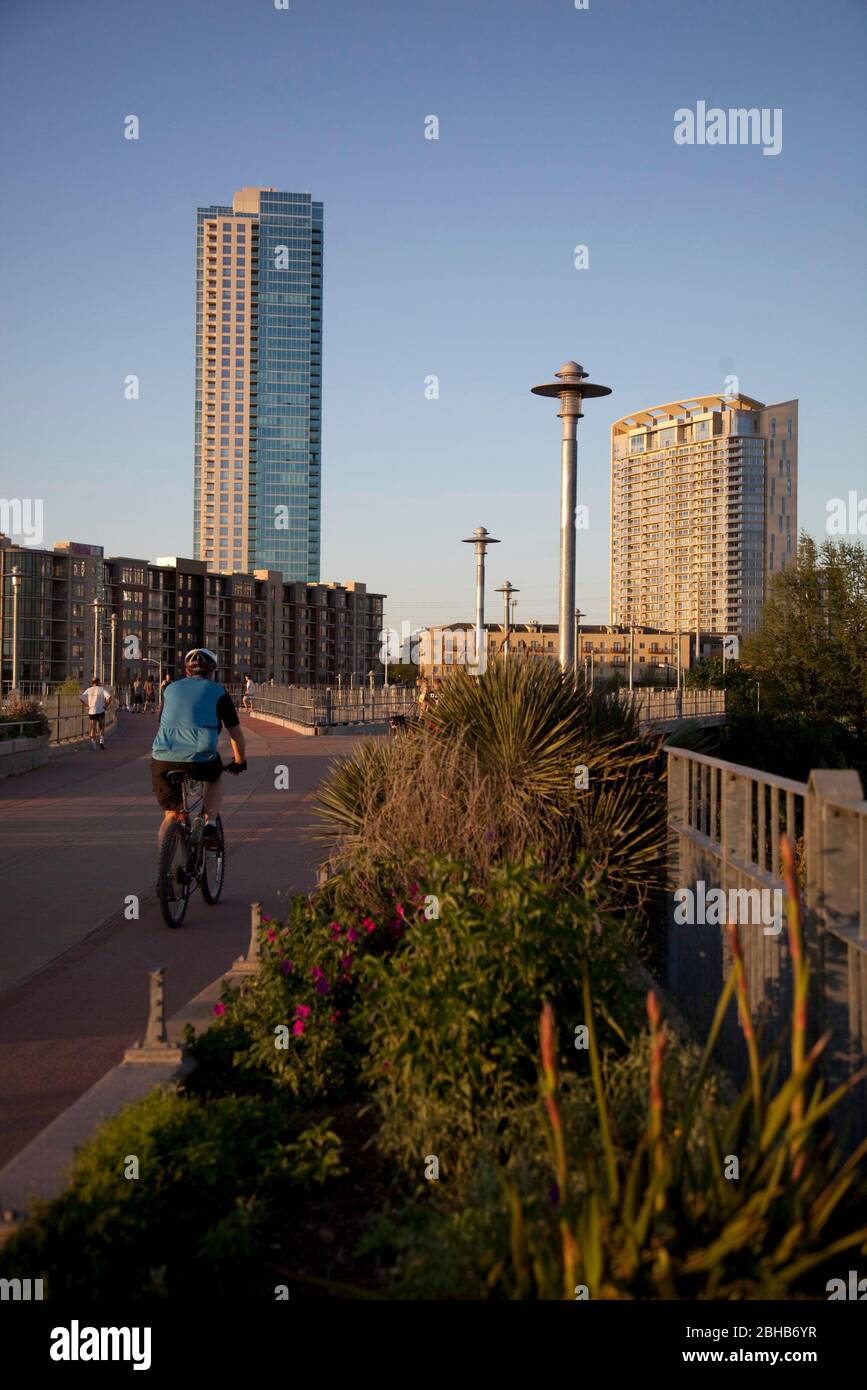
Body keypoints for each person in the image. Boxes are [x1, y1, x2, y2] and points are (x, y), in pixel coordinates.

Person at [151, 648, 247, 846]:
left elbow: (162, 721)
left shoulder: (169, 689)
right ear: (212, 672)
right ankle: (210, 824)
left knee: (170, 815)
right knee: (215, 777)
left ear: (187, 671)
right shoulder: (218, 692)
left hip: (162, 757)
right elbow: (235, 733)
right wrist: (239, 761)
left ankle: (164, 869)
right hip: (200, 757)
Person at [80, 675, 112, 750]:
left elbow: (81, 698)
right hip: (100, 710)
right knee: (101, 727)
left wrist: (86, 705)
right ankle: (101, 742)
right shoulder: (101, 689)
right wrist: (106, 706)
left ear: (92, 682)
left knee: (92, 728)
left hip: (92, 711)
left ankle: (93, 744)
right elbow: (109, 697)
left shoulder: (88, 690)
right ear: (98, 682)